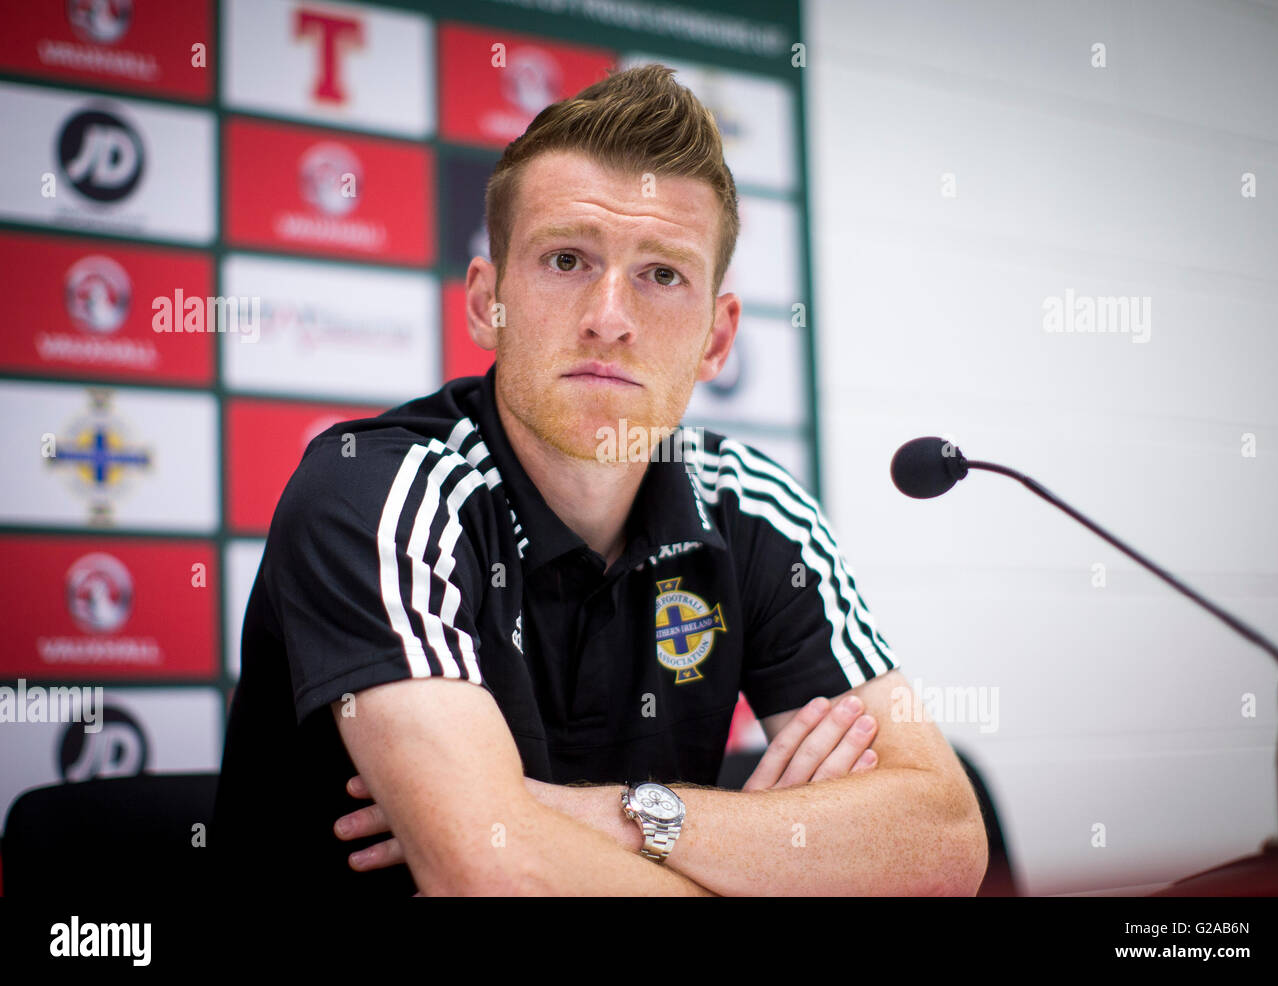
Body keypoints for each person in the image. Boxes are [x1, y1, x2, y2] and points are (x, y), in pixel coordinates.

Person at [212, 63, 988, 896]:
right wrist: (776, 870)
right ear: (487, 302)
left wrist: (613, 814)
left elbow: (941, 843)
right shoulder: (377, 491)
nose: (610, 318)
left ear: (716, 340)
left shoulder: (752, 507)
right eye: (567, 259)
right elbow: (492, 875)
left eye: (663, 275)